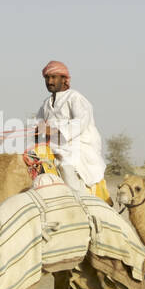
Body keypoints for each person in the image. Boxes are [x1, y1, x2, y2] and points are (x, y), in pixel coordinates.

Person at [36, 60, 106, 193]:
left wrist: (55, 131)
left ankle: (81, 201)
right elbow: (38, 124)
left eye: (53, 77)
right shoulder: (46, 103)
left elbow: (81, 122)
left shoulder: (75, 97)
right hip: (53, 148)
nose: (49, 81)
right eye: (47, 78)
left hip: (76, 148)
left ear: (64, 79)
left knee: (66, 169)